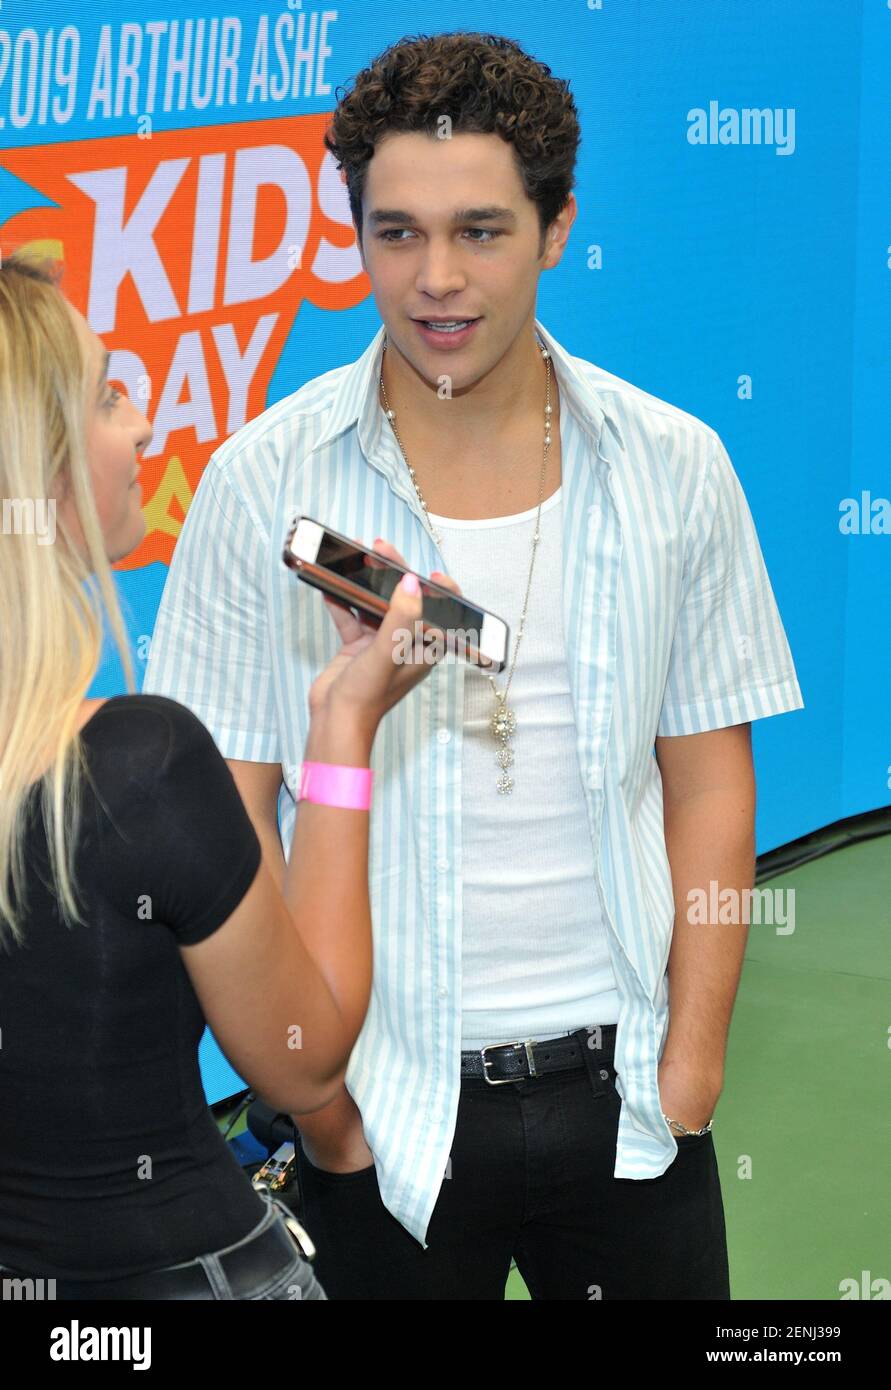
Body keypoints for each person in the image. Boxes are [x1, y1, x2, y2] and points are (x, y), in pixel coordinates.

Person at [143, 32, 805, 1300]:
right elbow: (228, 815)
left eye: (482, 232)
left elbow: (711, 773)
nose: (436, 279)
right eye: (396, 233)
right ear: (356, 234)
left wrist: (695, 1063)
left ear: (557, 228)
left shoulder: (677, 467)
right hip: (377, 1121)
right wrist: (314, 1092)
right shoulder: (260, 482)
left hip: (632, 1112)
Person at [0, 251, 454, 1299]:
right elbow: (304, 1055)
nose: (142, 424)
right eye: (109, 393)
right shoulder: (139, 769)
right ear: (47, 467)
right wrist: (346, 727)